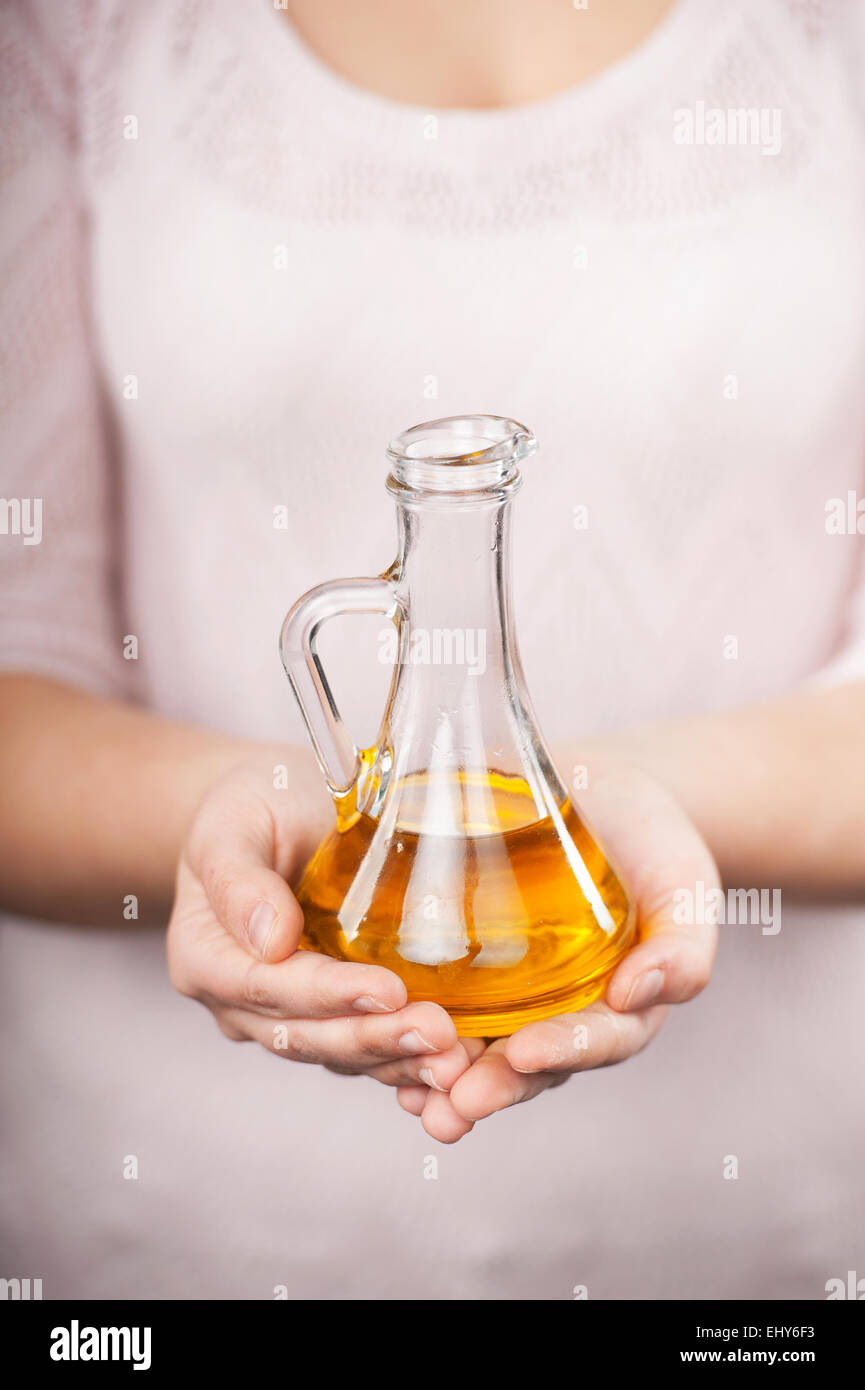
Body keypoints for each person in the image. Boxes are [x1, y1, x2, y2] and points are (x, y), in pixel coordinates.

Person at [1, 0, 864, 1300]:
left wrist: (624, 796)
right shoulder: (73, 32)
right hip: (171, 1252)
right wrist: (272, 817)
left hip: (762, 1254)